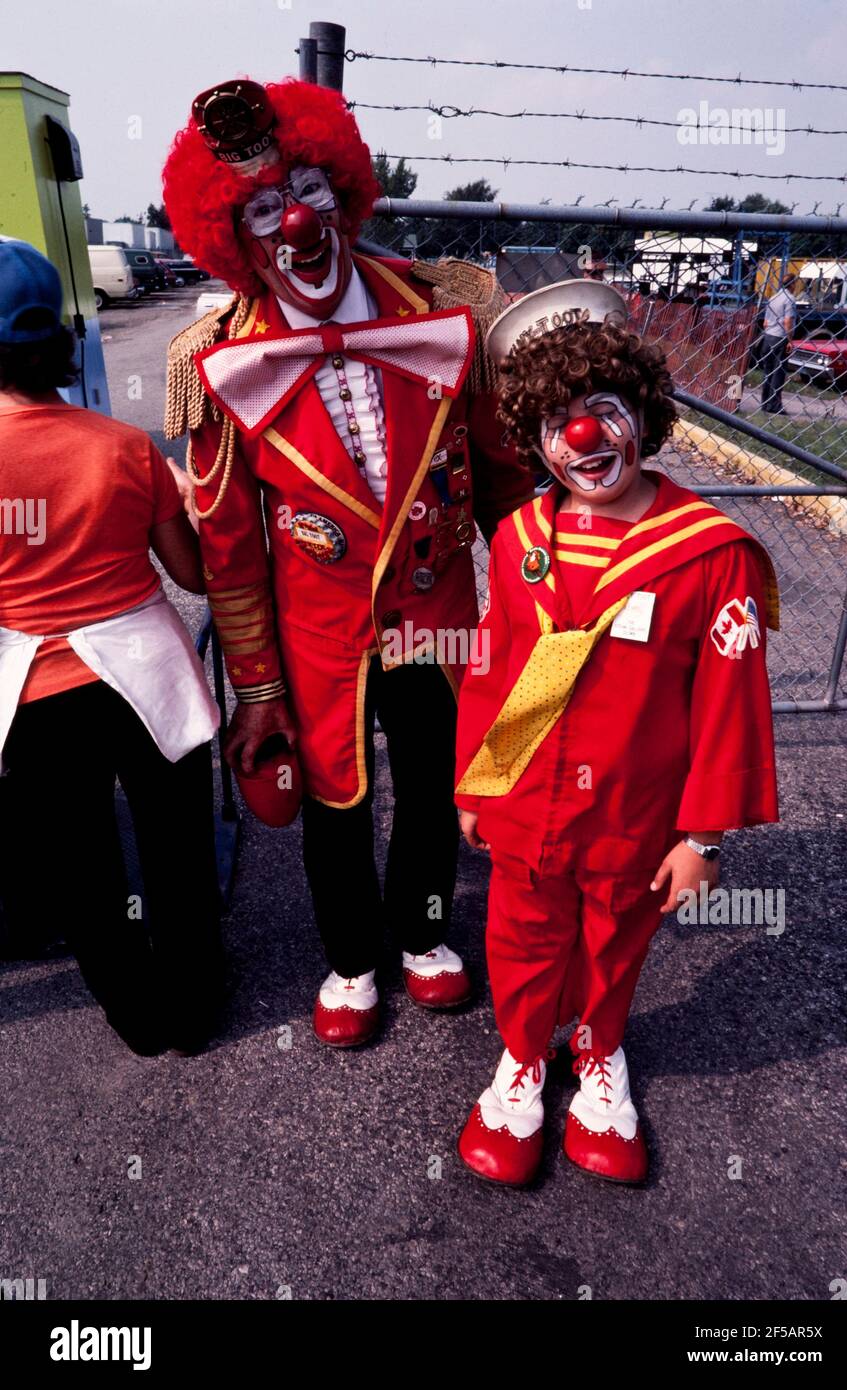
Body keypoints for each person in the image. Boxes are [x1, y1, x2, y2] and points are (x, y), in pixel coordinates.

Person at [162, 77, 532, 1048]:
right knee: (336, 797)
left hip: (438, 610)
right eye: (257, 206)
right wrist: (255, 689)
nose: (292, 219)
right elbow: (232, 556)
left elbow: (498, 480)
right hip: (318, 634)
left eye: (307, 190)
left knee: (428, 778)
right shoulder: (216, 365)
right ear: (234, 234)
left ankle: (418, 937)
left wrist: (548, 594)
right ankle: (352, 958)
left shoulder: (444, 311)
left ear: (343, 191)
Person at [454, 280, 779, 1186]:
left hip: (637, 814)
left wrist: (702, 835)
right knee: (519, 937)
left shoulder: (710, 555)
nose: (584, 439)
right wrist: (479, 786)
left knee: (613, 941)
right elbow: (499, 671)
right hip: (528, 806)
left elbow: (731, 703)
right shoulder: (522, 536)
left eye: (602, 411)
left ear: (644, 409)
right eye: (557, 421)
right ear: (532, 437)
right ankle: (521, 1059)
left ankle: (599, 1056)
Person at [0, 240, 224, 1056]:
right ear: (58, 342)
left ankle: (137, 1015)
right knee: (176, 851)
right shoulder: (124, 449)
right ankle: (195, 1004)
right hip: (145, 679)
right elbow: (192, 576)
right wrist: (200, 506)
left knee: (84, 869)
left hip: (32, 691)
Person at [760, 272, 798, 413]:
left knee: (768, 371)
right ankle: (775, 405)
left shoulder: (773, 297)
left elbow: (765, 322)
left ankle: (765, 403)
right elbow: (788, 321)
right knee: (779, 372)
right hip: (780, 338)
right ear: (792, 284)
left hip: (768, 337)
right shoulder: (790, 299)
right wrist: (790, 340)